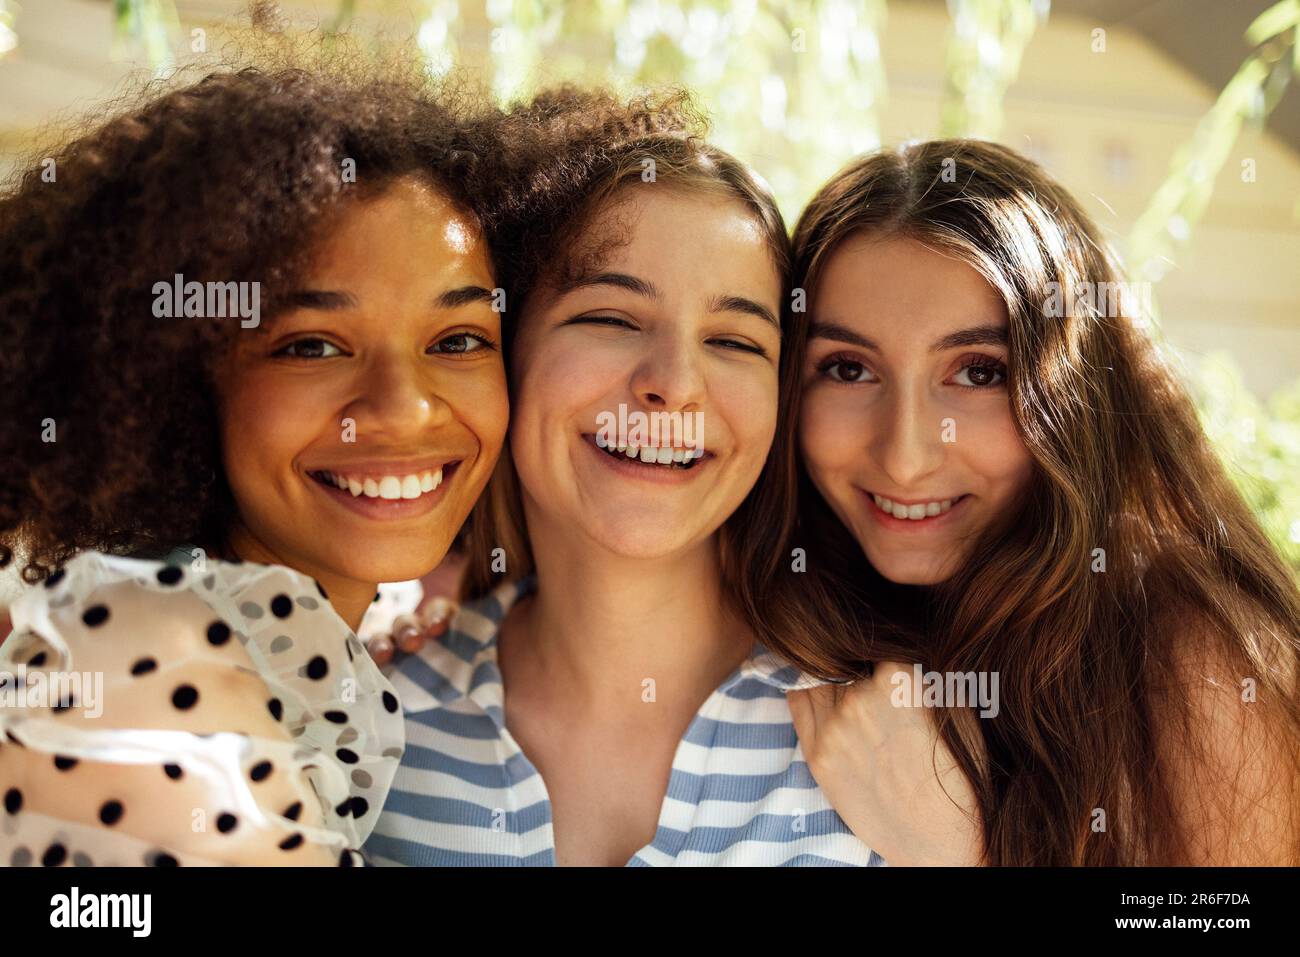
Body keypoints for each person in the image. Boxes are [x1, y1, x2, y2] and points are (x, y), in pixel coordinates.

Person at [0, 49, 509, 865]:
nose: (404, 408)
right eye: (311, 345)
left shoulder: (334, 642)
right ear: (175, 381)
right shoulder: (135, 661)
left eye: (458, 339)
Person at [365, 88, 885, 867]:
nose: (674, 383)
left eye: (736, 340)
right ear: (503, 352)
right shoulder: (371, 722)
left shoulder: (888, 737)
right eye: (610, 318)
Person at [785, 139, 1300, 866]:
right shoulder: (794, 618)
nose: (904, 454)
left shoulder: (1189, 648)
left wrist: (957, 853)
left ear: (1074, 395)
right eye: (847, 367)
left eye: (979, 372)